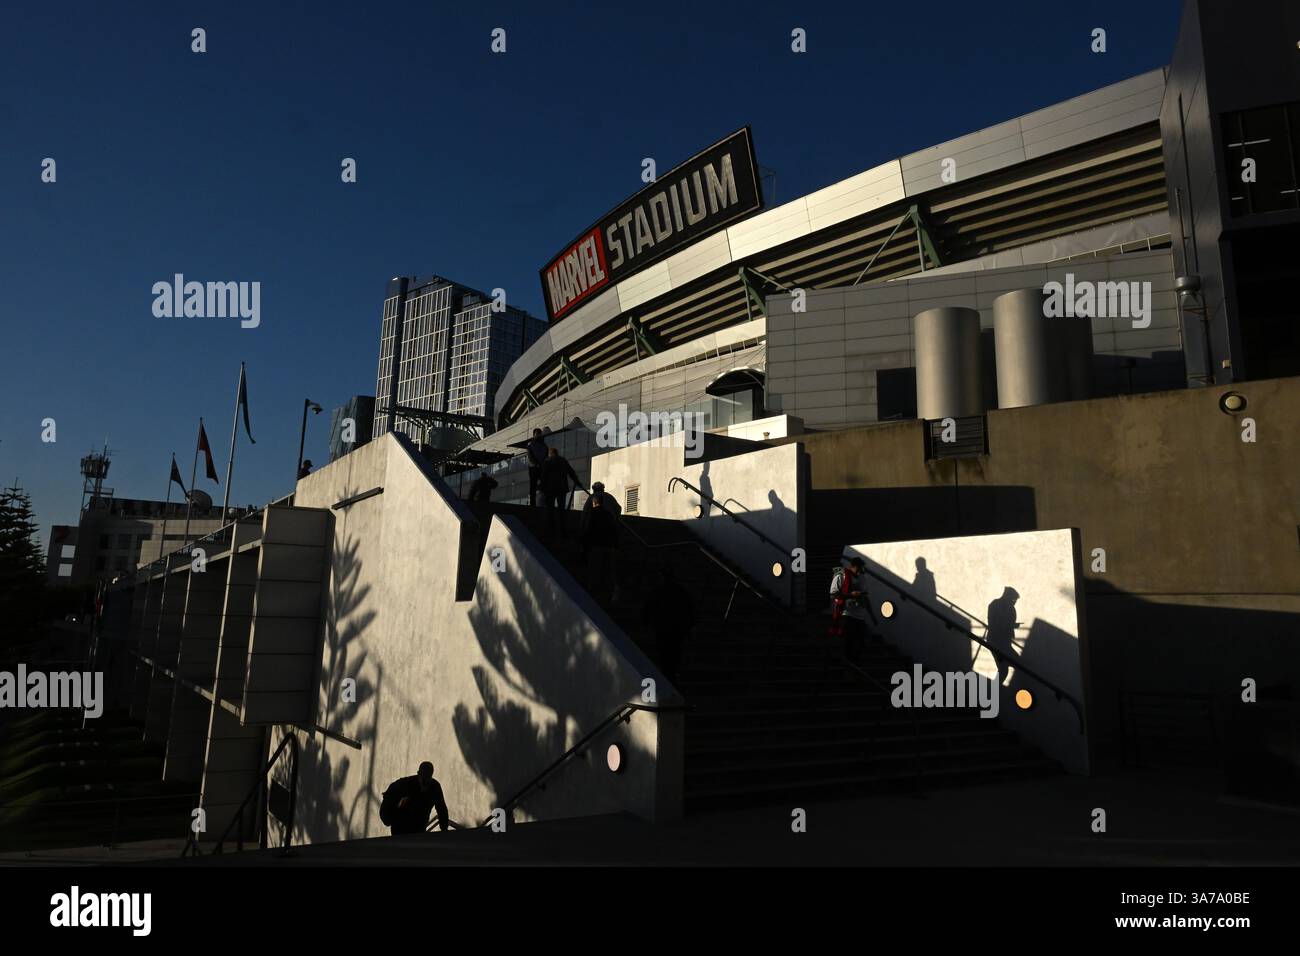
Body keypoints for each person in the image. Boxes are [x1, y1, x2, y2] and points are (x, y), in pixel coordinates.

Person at [642, 565, 695, 684]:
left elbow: (649, 606)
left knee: (664, 650)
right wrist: (690, 625)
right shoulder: (680, 591)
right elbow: (690, 609)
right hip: (676, 627)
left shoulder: (659, 590)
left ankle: (667, 673)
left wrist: (645, 620)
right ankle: (671, 673)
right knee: (674, 651)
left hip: (664, 626)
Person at [829, 556, 878, 663]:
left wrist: (872, 615)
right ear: (853, 566)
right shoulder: (841, 575)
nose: (861, 571)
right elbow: (833, 595)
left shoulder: (862, 578)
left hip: (860, 615)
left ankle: (854, 664)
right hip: (845, 613)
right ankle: (848, 664)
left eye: (862, 569)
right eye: (859, 569)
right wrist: (850, 595)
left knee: (861, 643)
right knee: (849, 642)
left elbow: (865, 597)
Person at [379, 761, 450, 835]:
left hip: (416, 831)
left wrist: (444, 830)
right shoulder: (403, 785)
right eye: (423, 781)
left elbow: (442, 810)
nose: (424, 786)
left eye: (427, 782)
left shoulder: (435, 787)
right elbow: (442, 810)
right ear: (418, 774)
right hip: (401, 831)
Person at [581, 491, 621, 603]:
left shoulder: (592, 513)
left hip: (597, 544)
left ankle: (593, 593)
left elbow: (587, 528)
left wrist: (584, 543)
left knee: (595, 568)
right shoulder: (608, 514)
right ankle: (614, 591)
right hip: (610, 545)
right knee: (609, 570)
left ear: (594, 503)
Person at [540, 447, 584, 536]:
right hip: (562, 488)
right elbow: (571, 472)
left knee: (550, 509)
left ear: (550, 453)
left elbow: (543, 476)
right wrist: (578, 482)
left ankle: (551, 529)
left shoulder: (547, 461)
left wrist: (541, 487)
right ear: (557, 453)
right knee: (561, 509)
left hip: (550, 488)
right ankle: (562, 529)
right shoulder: (563, 461)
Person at [526, 428, 548, 507]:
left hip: (540, 467)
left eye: (539, 433)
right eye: (537, 434)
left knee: (542, 484)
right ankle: (533, 503)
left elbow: (546, 455)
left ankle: (542, 501)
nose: (539, 435)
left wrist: (541, 464)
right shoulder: (531, 444)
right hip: (533, 467)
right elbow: (530, 455)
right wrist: (537, 463)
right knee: (533, 484)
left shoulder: (544, 445)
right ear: (534, 435)